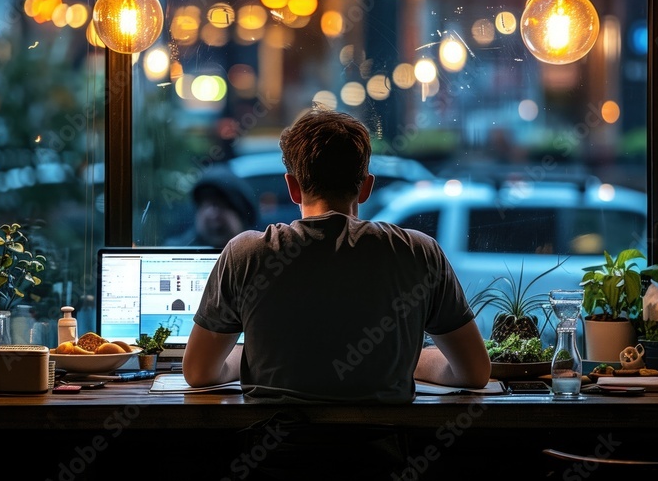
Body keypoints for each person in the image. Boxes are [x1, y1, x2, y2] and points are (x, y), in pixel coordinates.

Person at [183, 104, 490, 402]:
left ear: (292, 188)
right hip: (384, 451)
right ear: (366, 186)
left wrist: (253, 358)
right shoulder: (419, 252)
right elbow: (474, 373)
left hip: (277, 451)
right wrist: (410, 361)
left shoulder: (245, 254)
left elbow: (198, 372)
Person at [167, 165, 259, 248]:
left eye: (221, 204)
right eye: (205, 205)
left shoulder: (257, 251)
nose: (212, 213)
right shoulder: (178, 252)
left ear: (241, 215)